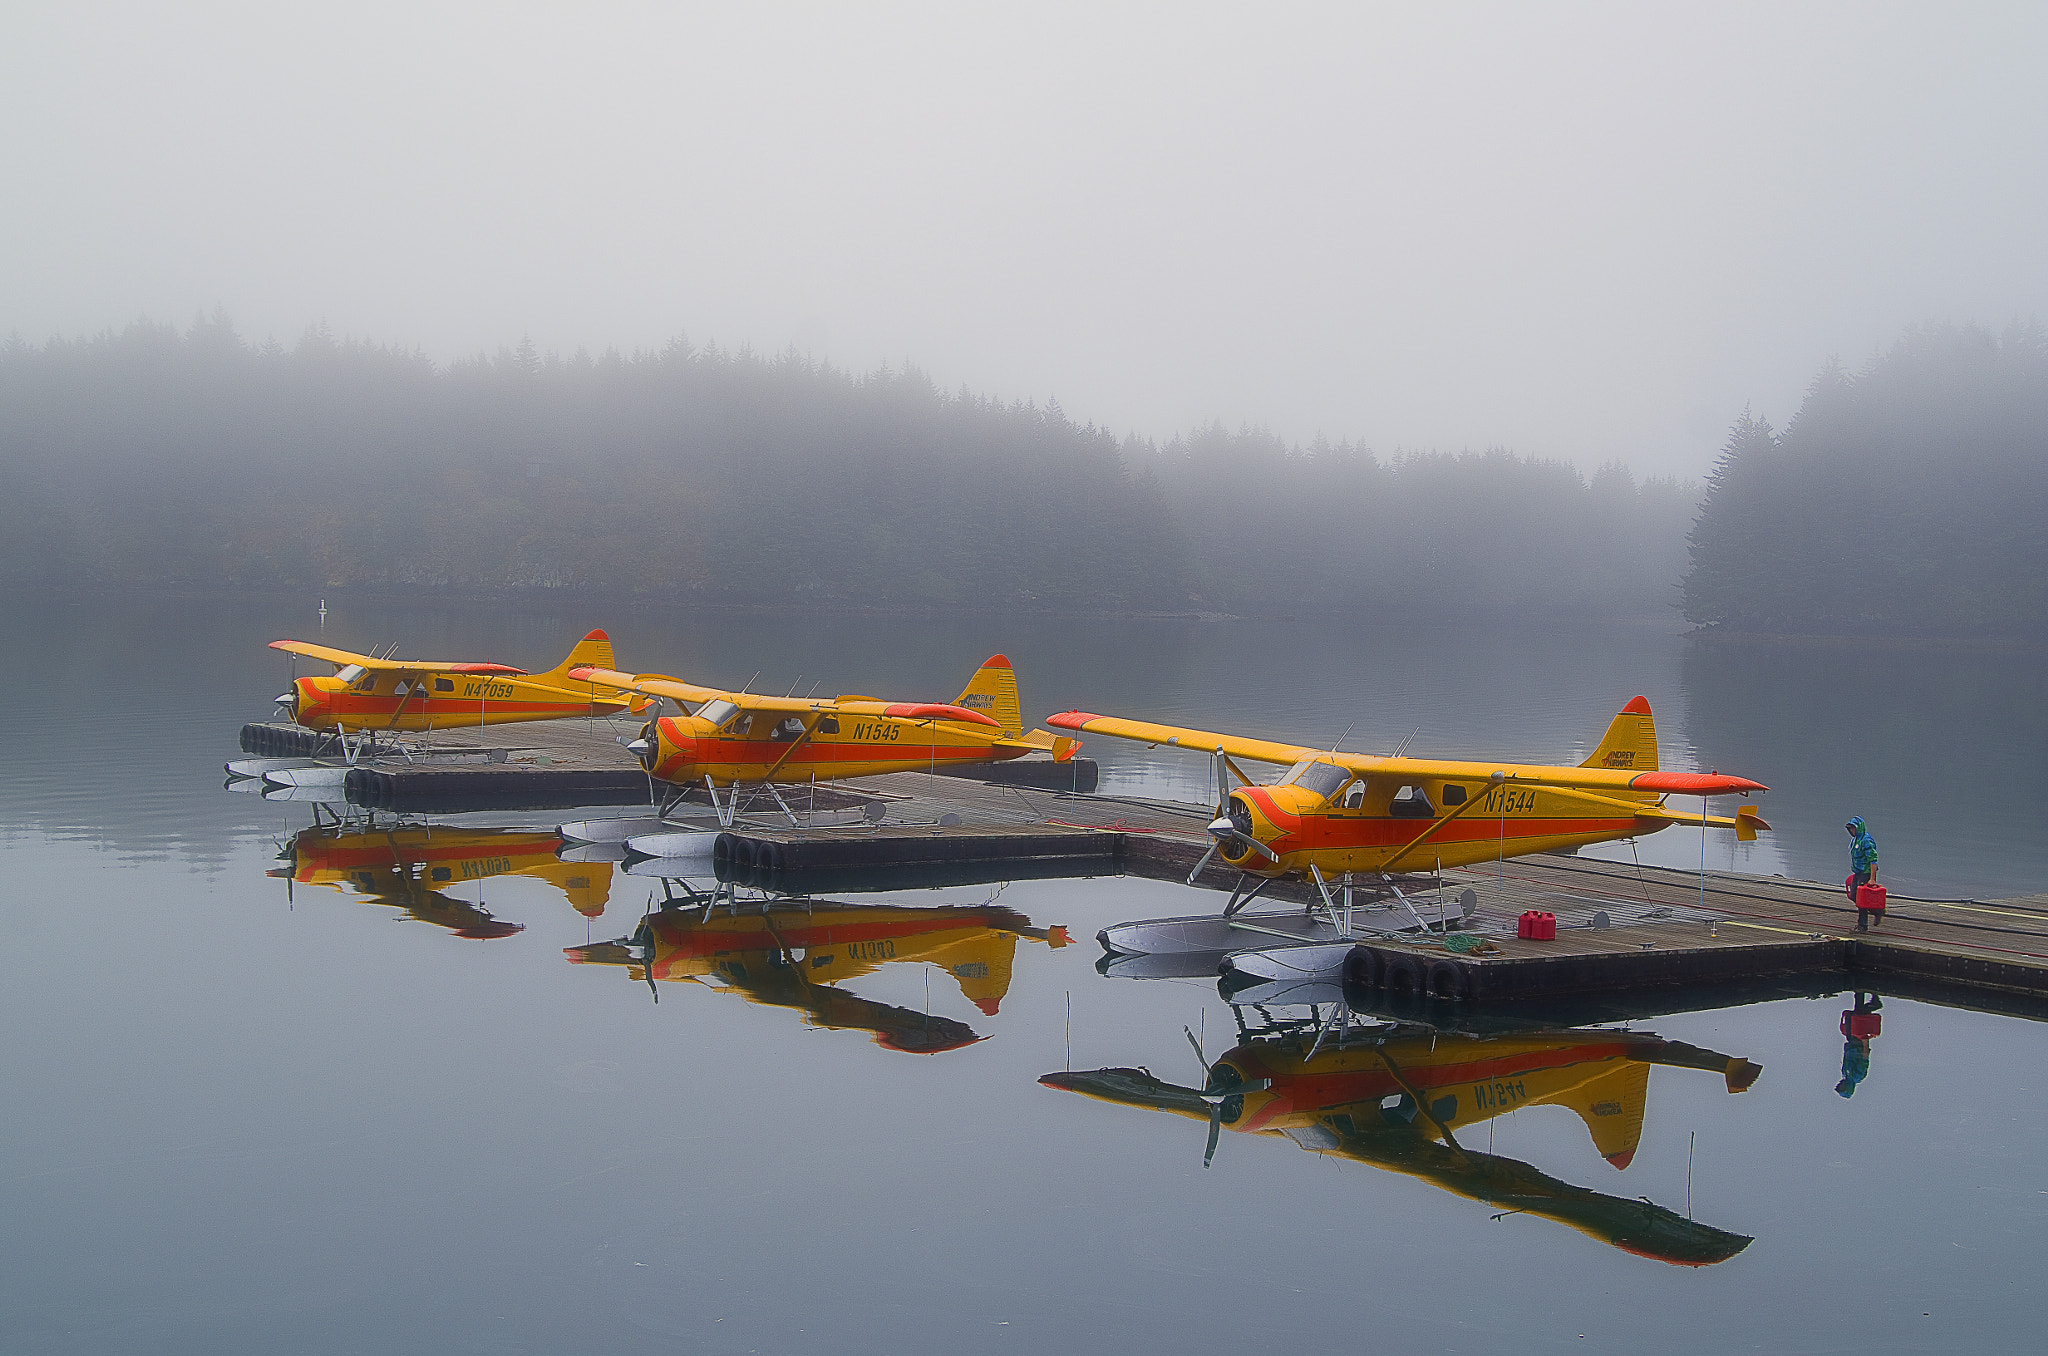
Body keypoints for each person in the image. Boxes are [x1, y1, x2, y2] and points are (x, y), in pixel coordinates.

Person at [1835, 992, 1883, 1098]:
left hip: (1851, 1043)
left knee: (1851, 1018)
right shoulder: (1858, 1077)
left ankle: (1861, 995)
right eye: (1841, 1087)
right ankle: (1863, 996)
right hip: (1858, 1043)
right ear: (1848, 1089)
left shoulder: (1845, 1074)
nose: (1839, 1084)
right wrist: (1865, 1042)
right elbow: (1864, 1059)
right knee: (1858, 1017)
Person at [1845, 816, 1882, 930]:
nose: (1852, 831)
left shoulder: (1866, 840)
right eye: (1850, 829)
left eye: (1853, 828)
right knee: (1853, 895)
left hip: (1865, 873)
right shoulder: (1855, 840)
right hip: (1858, 872)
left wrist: (1872, 878)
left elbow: (1873, 860)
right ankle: (1877, 911)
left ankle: (1862, 925)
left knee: (1862, 899)